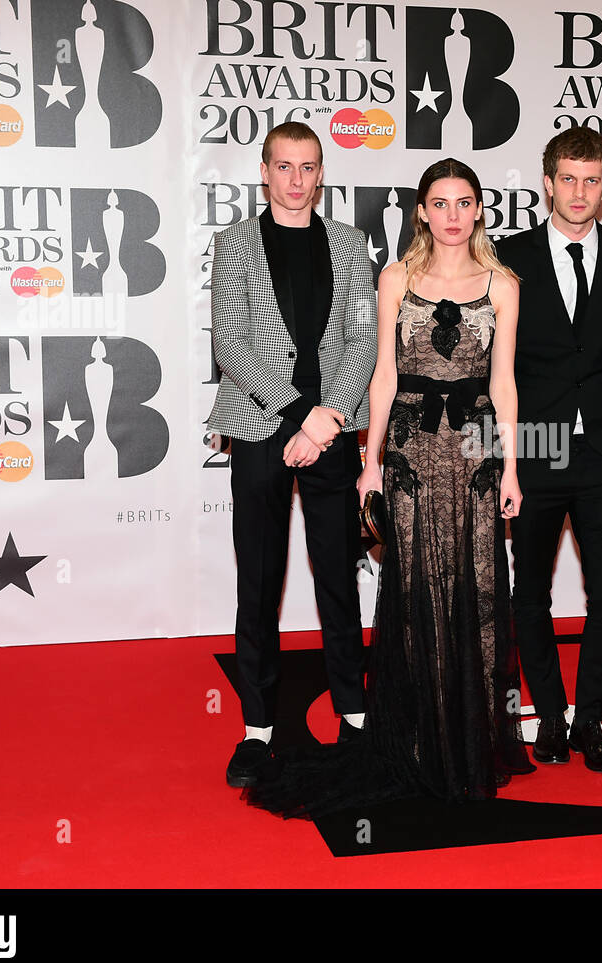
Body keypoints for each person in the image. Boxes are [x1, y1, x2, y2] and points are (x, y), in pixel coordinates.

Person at [244, 158, 533, 817]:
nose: (453, 214)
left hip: (475, 447)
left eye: (465, 202)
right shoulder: (396, 278)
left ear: (480, 210)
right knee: (413, 593)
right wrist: (369, 462)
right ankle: (418, 741)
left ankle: (471, 743)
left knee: (477, 591)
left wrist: (513, 466)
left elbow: (504, 384)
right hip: (406, 444)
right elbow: (381, 377)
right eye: (440, 202)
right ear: (423, 212)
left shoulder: (504, 284)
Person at [208, 121, 377, 789]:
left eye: (308, 167)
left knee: (339, 575)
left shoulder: (351, 245)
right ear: (265, 170)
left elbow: (364, 342)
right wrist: (298, 414)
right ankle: (257, 728)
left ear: (320, 172)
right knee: (259, 580)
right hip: (258, 426)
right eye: (285, 166)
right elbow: (231, 344)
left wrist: (325, 418)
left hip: (332, 425)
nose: (297, 180)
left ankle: (356, 713)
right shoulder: (234, 244)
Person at [496, 127, 602, 774]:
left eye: (592, 180)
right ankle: (550, 720)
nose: (579, 191)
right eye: (568, 178)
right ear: (548, 183)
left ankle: (590, 722)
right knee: (528, 592)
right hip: (534, 447)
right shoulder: (509, 255)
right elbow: (491, 366)